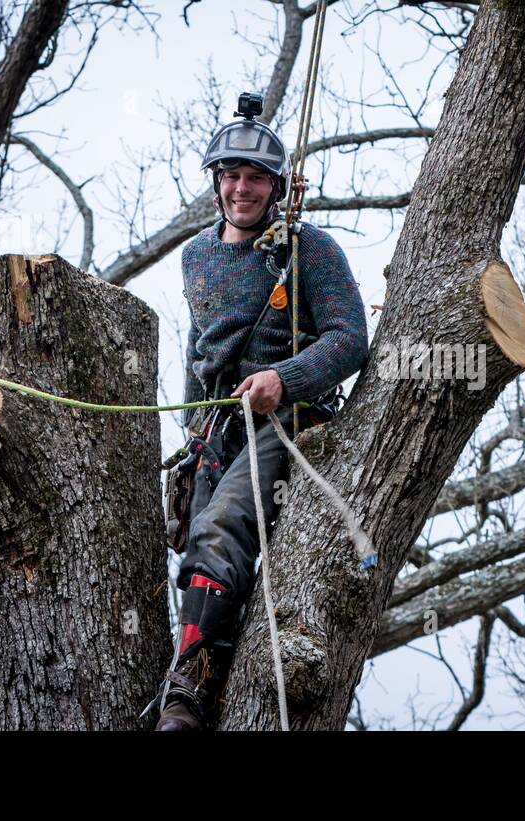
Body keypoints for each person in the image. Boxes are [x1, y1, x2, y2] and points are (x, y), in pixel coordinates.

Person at [153, 93, 368, 730]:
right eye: (231, 177)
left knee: (222, 527)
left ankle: (185, 693)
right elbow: (201, 350)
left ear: (274, 186)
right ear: (217, 183)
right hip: (217, 426)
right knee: (197, 548)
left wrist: (286, 378)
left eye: (254, 178)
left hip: (289, 423)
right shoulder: (196, 256)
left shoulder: (308, 248)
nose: (241, 188)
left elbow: (350, 338)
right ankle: (205, 673)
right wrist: (194, 430)